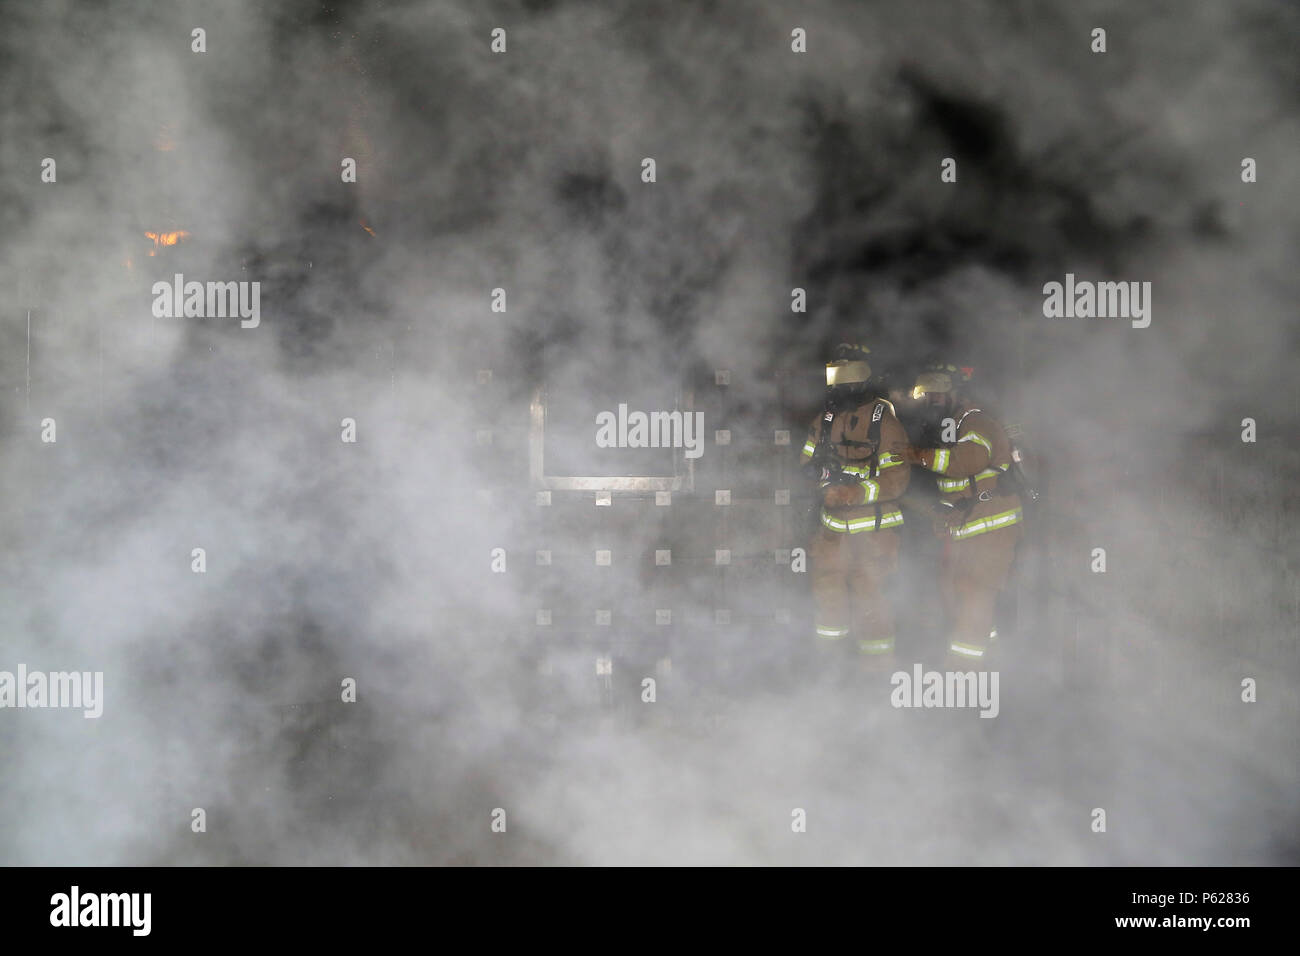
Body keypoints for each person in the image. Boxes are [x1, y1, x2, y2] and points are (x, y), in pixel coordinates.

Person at [901, 364, 1023, 668]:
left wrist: (917, 454)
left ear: (957, 392)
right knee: (955, 593)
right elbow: (954, 483)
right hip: (969, 524)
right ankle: (991, 661)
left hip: (993, 524)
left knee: (974, 596)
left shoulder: (976, 421)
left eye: (938, 395)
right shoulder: (952, 425)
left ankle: (962, 675)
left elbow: (966, 461)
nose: (932, 401)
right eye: (928, 395)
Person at [801, 344, 911, 666]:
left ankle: (877, 675)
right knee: (827, 600)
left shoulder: (884, 423)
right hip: (832, 533)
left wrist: (856, 492)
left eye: (845, 384)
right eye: (836, 384)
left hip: (874, 532)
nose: (839, 391)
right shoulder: (824, 420)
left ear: (862, 382)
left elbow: (898, 478)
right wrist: (822, 482)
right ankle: (829, 671)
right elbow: (806, 465)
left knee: (872, 603)